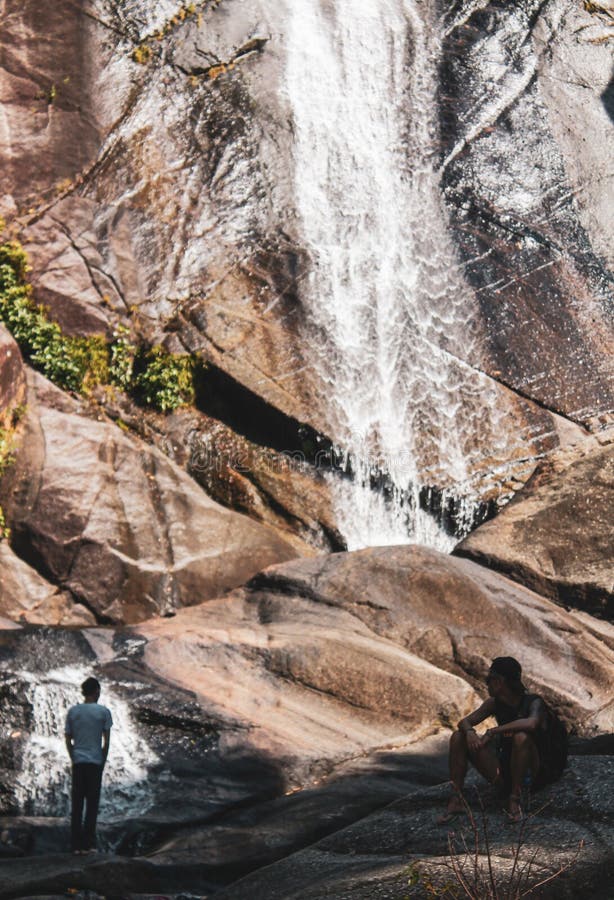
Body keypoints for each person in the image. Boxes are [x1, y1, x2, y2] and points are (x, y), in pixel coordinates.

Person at [438, 657, 555, 823]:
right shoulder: (494, 703)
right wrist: (470, 732)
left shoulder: (533, 702)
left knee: (521, 737)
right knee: (458, 736)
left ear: (499, 681)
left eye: (488, 680)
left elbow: (531, 723)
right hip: (503, 772)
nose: (486, 684)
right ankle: (456, 799)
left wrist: (493, 731)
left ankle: (515, 800)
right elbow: (464, 722)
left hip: (530, 773)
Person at [65, 676, 113, 854]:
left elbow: (68, 739)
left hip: (78, 762)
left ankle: (75, 846)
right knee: (92, 804)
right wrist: (102, 761)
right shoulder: (104, 712)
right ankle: (89, 845)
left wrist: (73, 757)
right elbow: (106, 742)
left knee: (77, 805)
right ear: (97, 691)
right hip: (95, 762)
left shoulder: (73, 711)